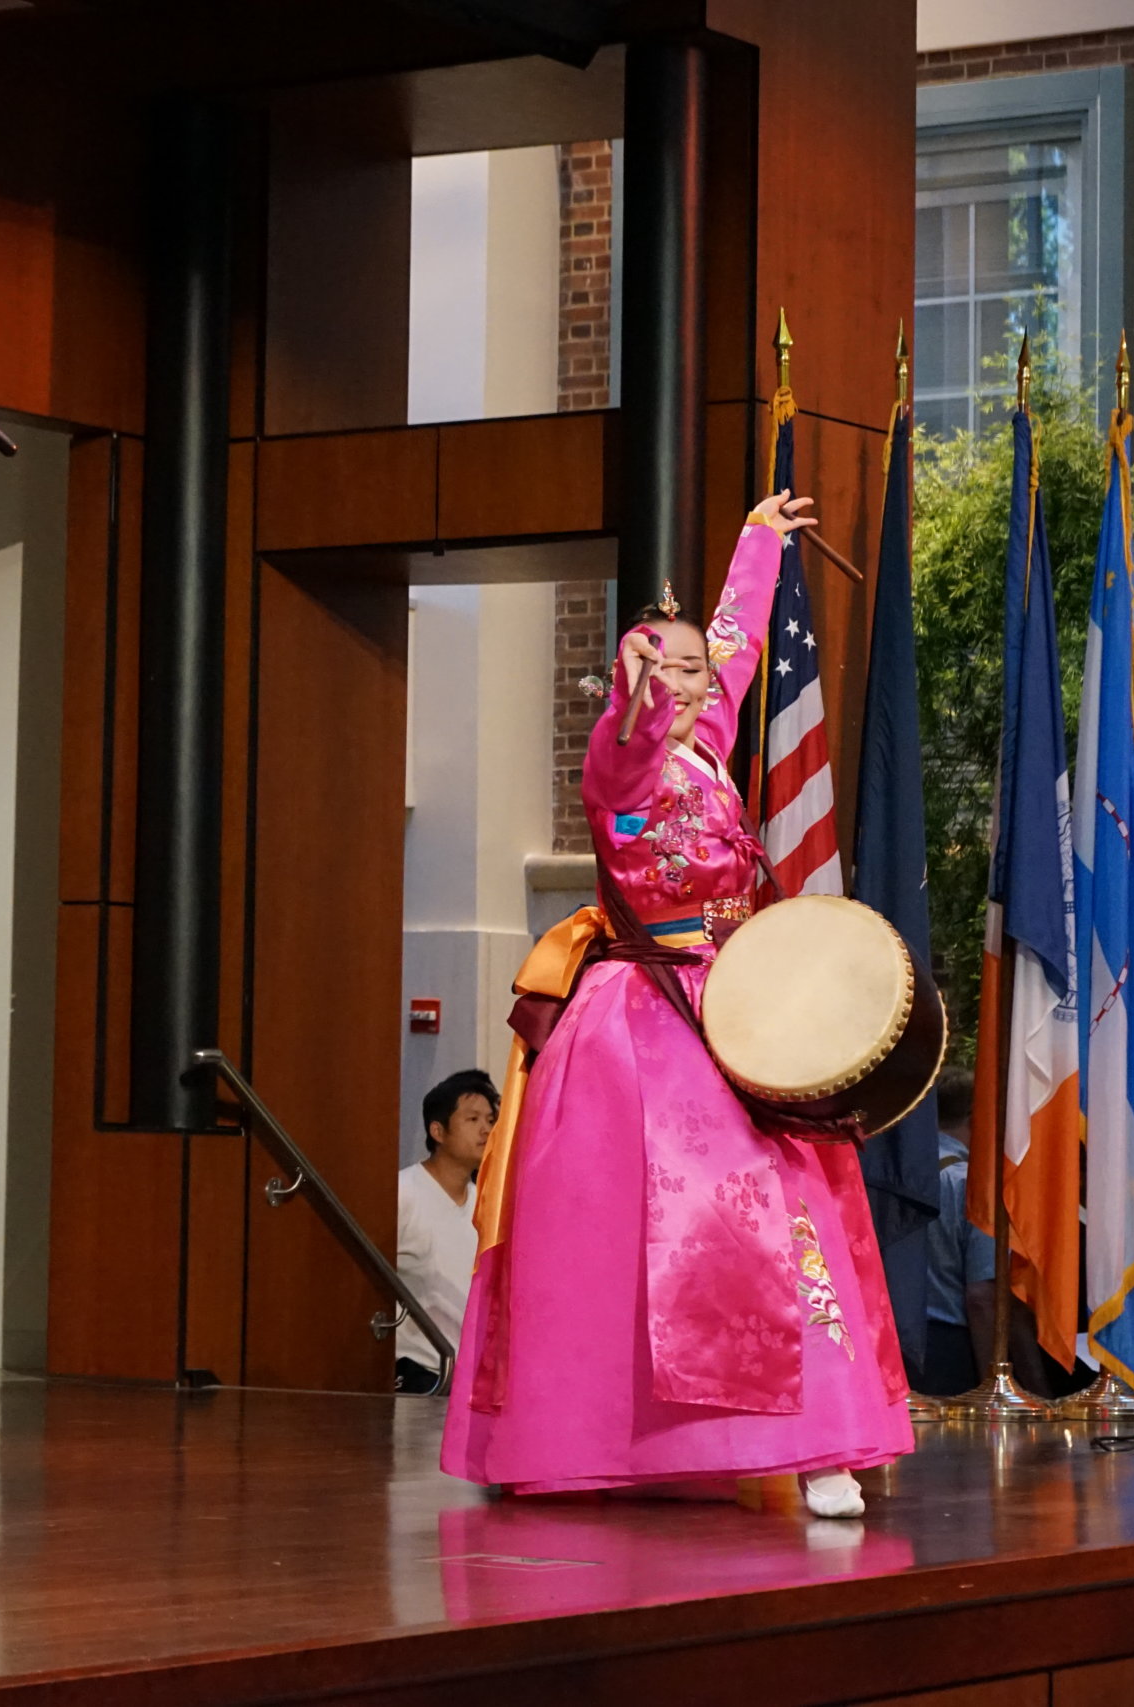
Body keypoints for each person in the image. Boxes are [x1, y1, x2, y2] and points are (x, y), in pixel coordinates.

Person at [444, 493, 912, 1520]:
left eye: (700, 673)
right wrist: (649, 687)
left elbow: (736, 646)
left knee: (791, 1212)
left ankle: (813, 1443)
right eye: (668, 672)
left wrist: (756, 539)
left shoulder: (710, 745)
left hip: (733, 1008)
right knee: (667, 1228)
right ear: (630, 681)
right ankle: (608, 1436)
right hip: (640, 1022)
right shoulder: (622, 765)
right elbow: (637, 721)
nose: (694, 685)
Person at [397, 1070, 497, 1395]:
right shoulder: (403, 1194)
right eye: (472, 1119)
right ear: (437, 1131)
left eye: (490, 1120)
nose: (486, 1129)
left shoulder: (485, 1205)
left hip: (470, 1378)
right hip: (417, 1374)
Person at [913, 1069, 992, 1397]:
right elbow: (981, 1297)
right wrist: (992, 1382)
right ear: (977, 1119)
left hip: (890, 1344)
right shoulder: (969, 1186)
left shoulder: (891, 1178)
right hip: (953, 1352)